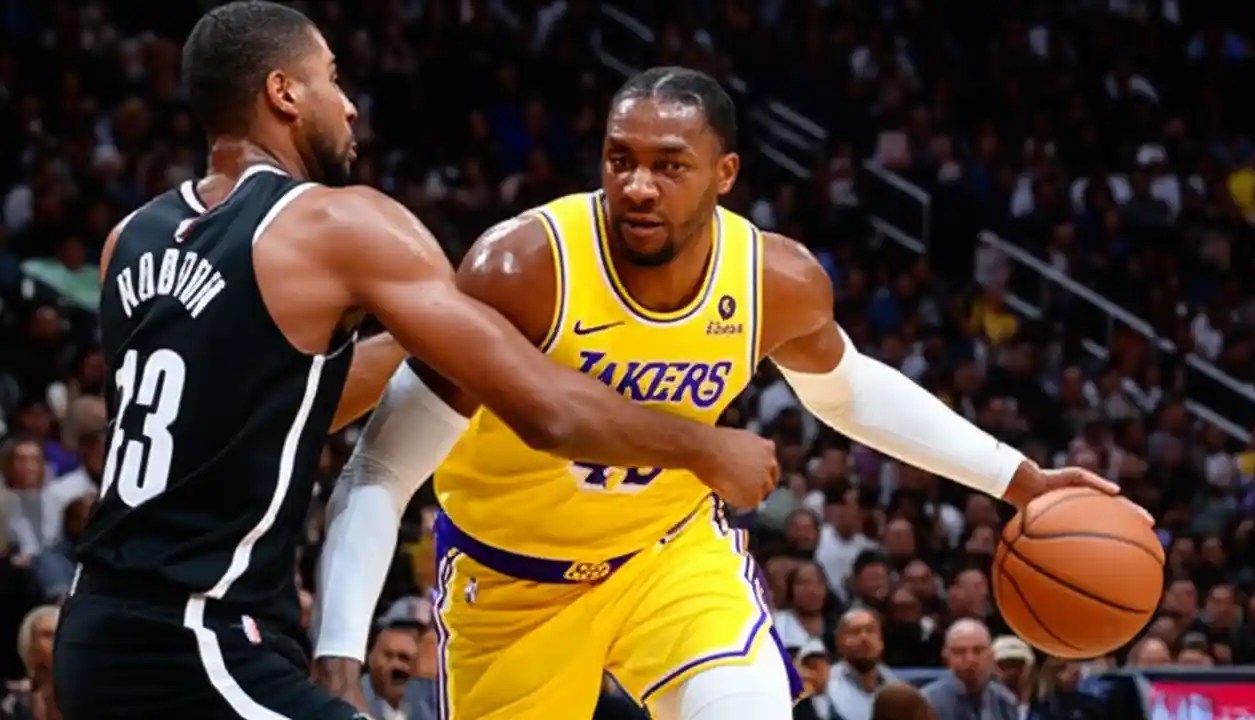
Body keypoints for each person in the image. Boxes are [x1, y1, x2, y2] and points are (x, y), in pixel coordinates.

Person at [312, 66, 1134, 720]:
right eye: (621, 159)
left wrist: (1018, 479)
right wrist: (339, 661)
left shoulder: (776, 279)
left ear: (725, 173)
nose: (638, 185)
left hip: (666, 557)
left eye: (670, 166)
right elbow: (382, 469)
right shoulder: (523, 268)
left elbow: (848, 392)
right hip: (508, 582)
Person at [51, 5, 777, 719]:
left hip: (96, 628)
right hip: (196, 638)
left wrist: (440, 331)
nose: (349, 106)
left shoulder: (131, 238)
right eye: (332, 77)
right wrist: (706, 448)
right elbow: (548, 413)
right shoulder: (336, 222)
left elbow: (266, 410)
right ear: (283, 92)